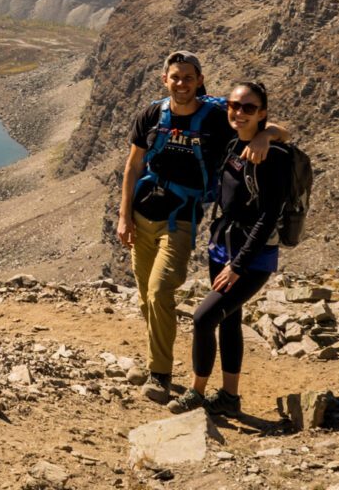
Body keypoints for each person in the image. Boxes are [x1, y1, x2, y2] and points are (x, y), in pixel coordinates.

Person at [116, 52, 281, 404]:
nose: (181, 83)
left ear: (199, 80)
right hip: (141, 214)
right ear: (165, 80)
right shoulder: (151, 114)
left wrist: (266, 137)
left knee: (161, 291)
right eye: (175, 77)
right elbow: (133, 166)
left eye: (188, 77)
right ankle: (156, 364)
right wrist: (123, 215)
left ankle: (161, 375)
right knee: (147, 298)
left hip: (180, 219)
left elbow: (259, 121)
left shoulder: (219, 115)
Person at [168, 81, 289, 417]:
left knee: (203, 318)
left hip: (249, 258)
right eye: (234, 106)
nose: (239, 112)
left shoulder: (272, 156)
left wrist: (237, 265)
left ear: (263, 113)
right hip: (222, 247)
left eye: (249, 108)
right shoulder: (236, 141)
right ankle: (230, 398)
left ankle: (196, 392)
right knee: (229, 320)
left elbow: (268, 217)